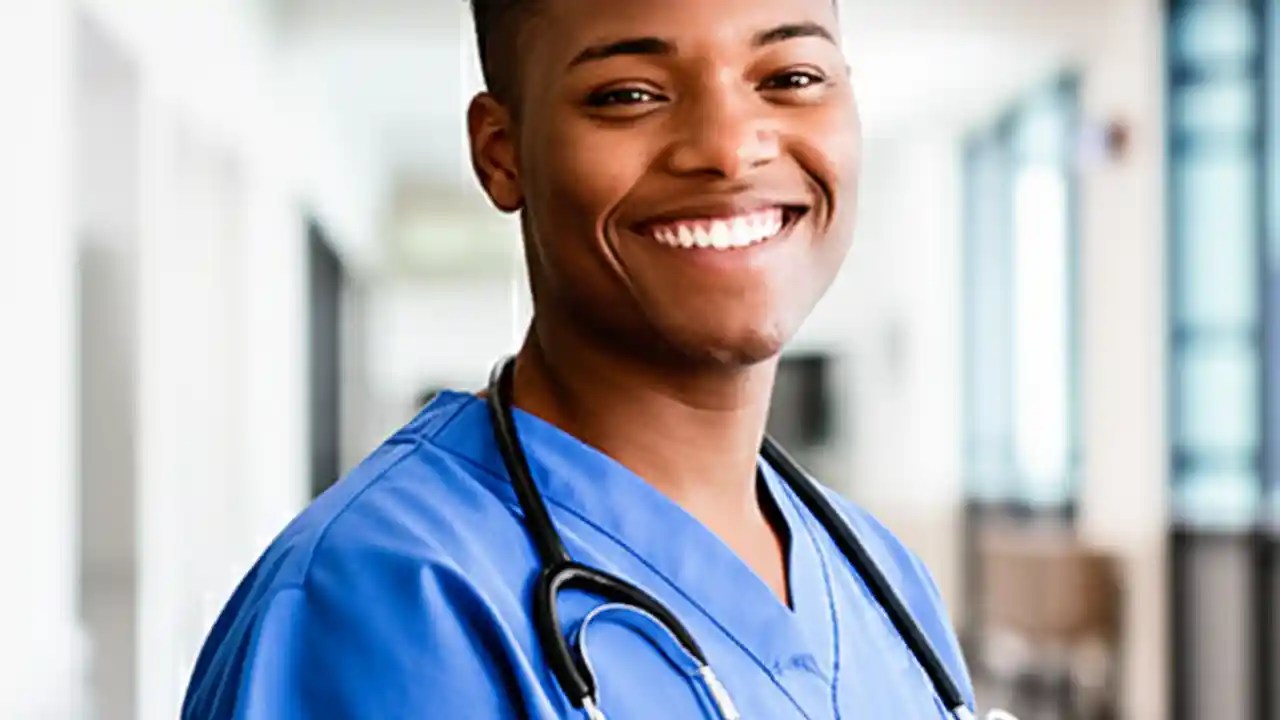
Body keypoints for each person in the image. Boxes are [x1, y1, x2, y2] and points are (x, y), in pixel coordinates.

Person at [182, 0, 976, 717]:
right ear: (502, 154)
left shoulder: (883, 582)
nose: (731, 150)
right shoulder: (385, 603)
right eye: (629, 94)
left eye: (792, 76)